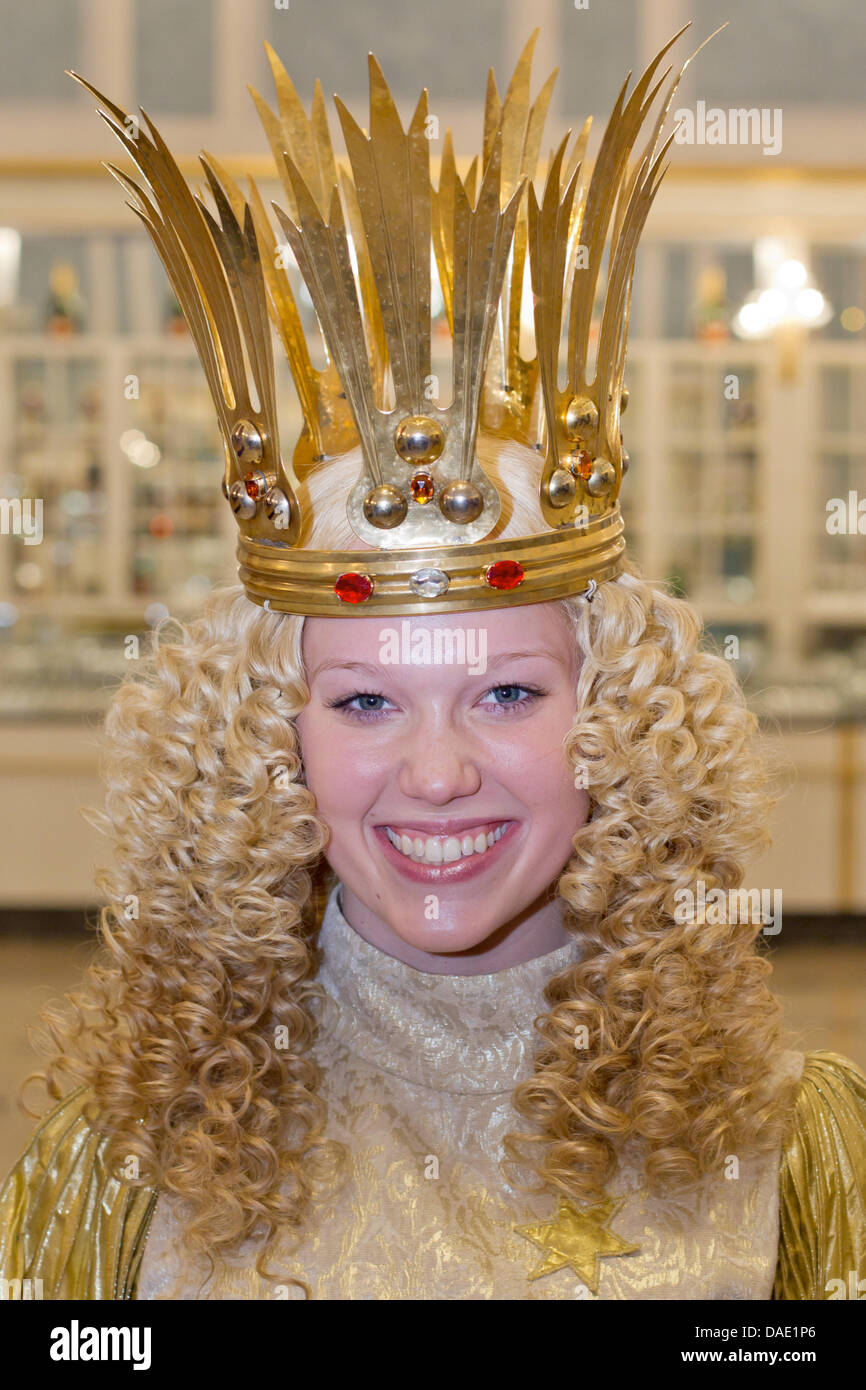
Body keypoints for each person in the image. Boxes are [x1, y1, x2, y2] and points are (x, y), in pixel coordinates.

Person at [1, 29, 864, 1302]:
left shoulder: (795, 1160)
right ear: (268, 743)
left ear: (620, 722)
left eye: (507, 691)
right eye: (362, 701)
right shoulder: (122, 1163)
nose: (438, 772)